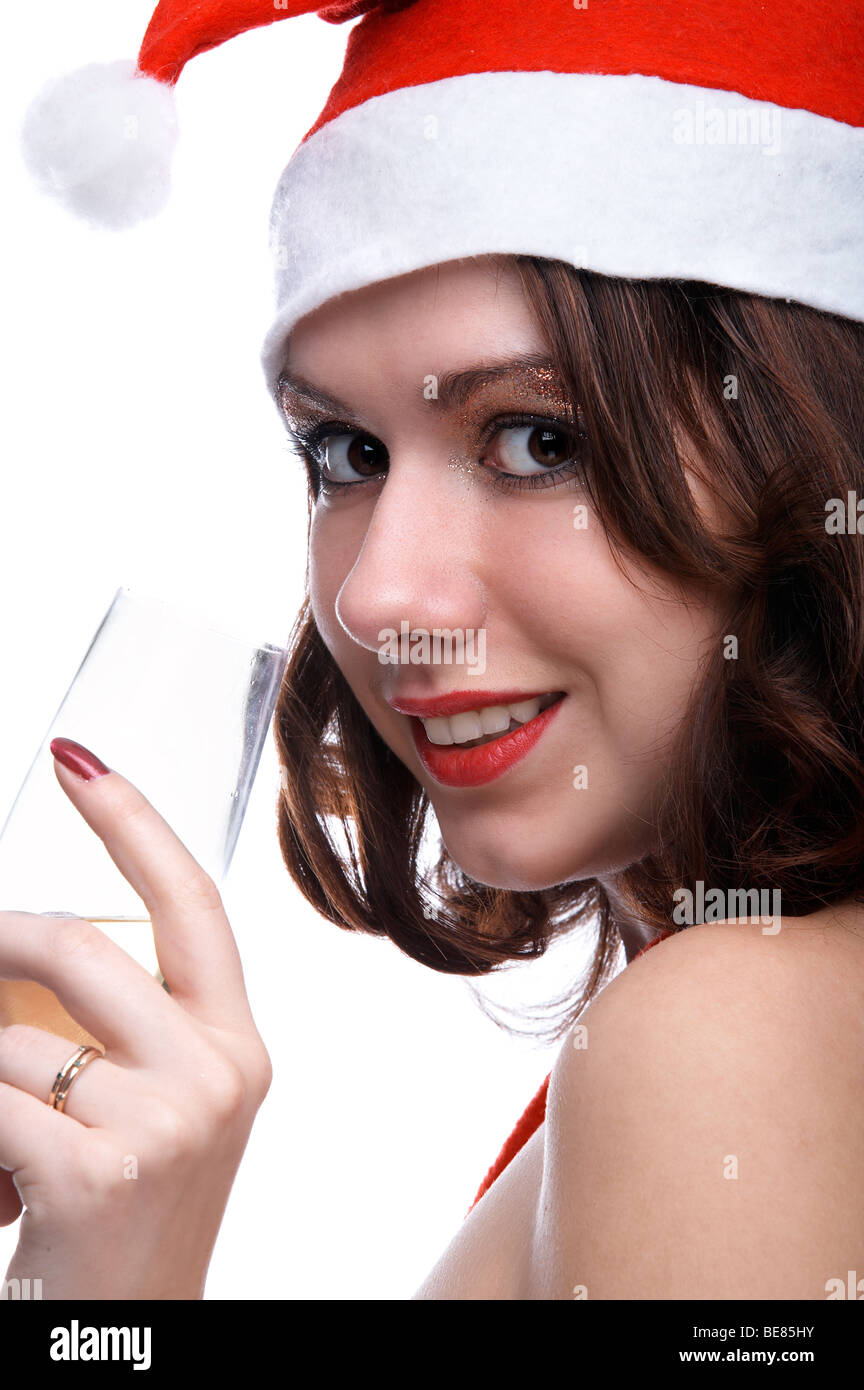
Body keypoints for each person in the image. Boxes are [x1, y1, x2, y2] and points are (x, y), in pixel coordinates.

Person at [4, 0, 863, 1300]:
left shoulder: (718, 1043)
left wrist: (112, 1311)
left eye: (535, 440)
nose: (377, 593)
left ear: (805, 449)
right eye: (344, 452)